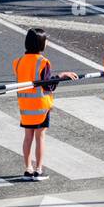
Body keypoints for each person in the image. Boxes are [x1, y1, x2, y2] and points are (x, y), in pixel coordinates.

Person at [13, 28, 78, 181]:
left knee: (27, 137)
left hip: (25, 105)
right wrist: (61, 76)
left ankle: (28, 168)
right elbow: (48, 85)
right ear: (41, 43)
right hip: (41, 105)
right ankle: (38, 170)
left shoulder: (18, 62)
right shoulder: (43, 62)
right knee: (40, 137)